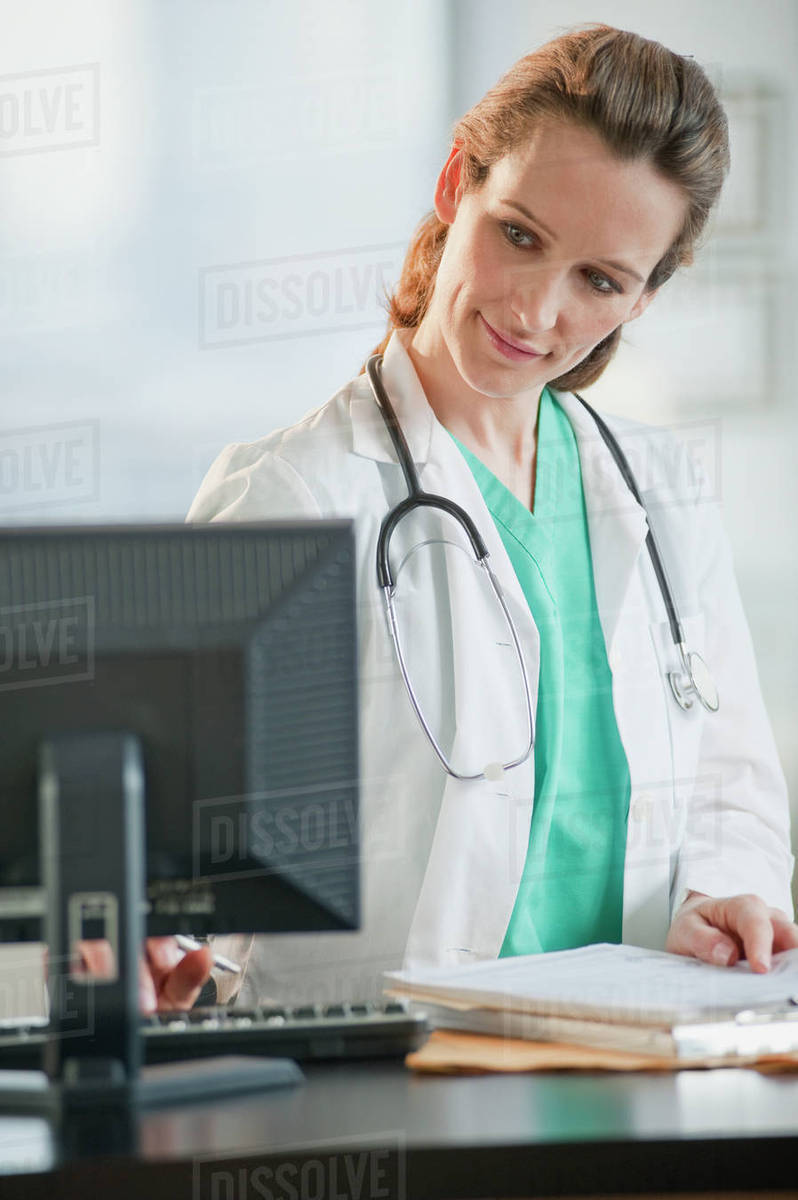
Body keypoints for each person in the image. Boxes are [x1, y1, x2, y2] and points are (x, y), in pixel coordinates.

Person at [142, 24, 797, 1010]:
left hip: (630, 1075)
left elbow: (732, 781)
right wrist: (149, 933)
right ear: (457, 184)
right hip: (389, 1090)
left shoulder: (665, 493)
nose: (535, 312)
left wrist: (723, 891)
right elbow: (176, 848)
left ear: (645, 298)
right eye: (520, 235)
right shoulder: (296, 496)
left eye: (600, 280)